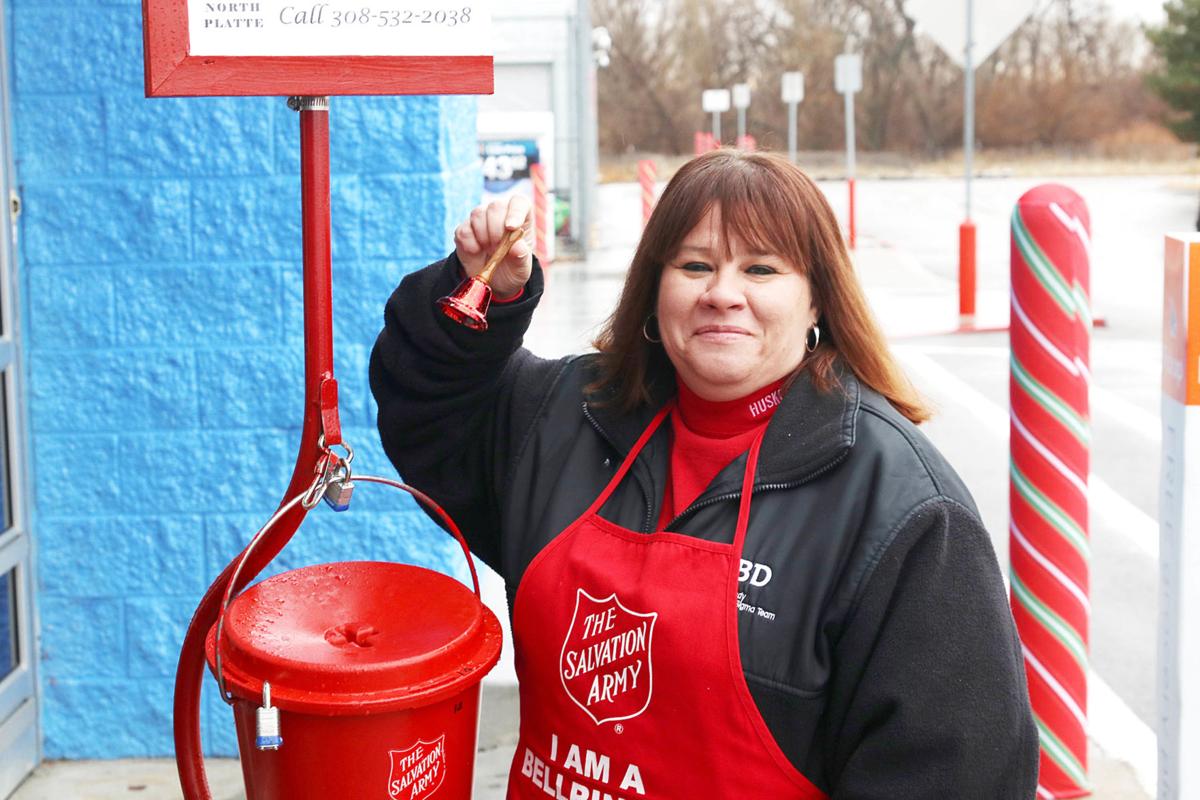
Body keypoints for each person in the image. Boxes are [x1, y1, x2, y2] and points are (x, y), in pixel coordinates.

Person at [370, 150, 1038, 798]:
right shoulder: (566, 419)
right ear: (654, 289)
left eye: (761, 269)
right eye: (695, 265)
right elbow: (425, 407)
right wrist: (483, 288)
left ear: (816, 304)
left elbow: (957, 773)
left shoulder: (905, 511)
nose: (722, 294)